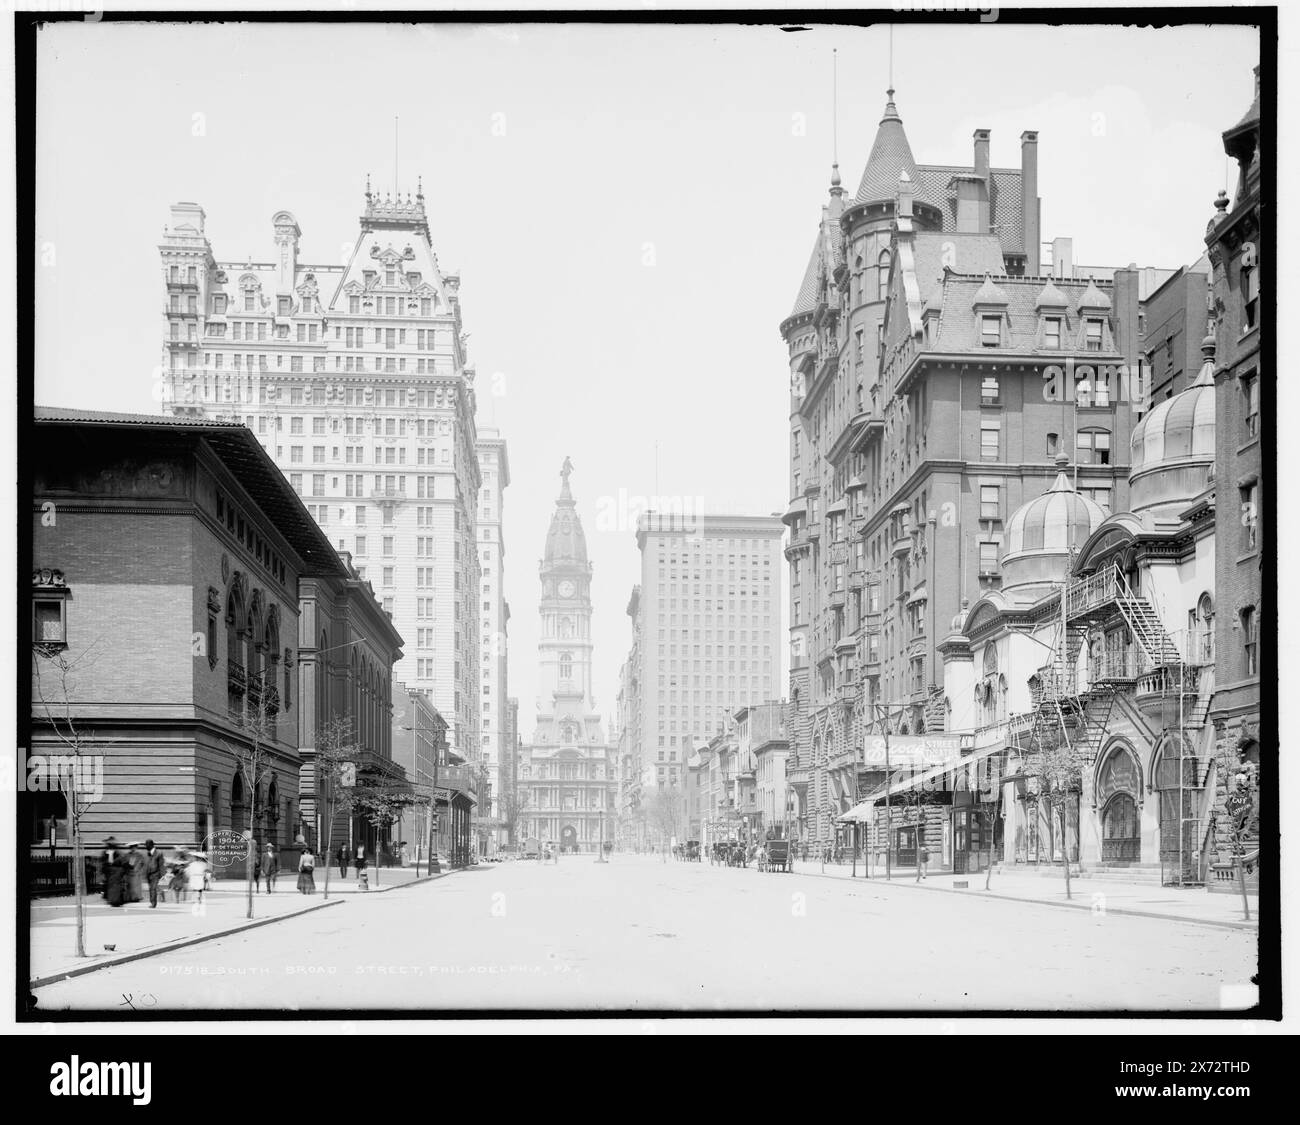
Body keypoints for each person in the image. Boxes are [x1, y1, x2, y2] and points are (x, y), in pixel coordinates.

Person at [101, 838, 126, 907]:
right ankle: (110, 899)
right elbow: (103, 862)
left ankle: (117, 900)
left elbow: (120, 862)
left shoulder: (117, 853)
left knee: (116, 887)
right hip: (108, 872)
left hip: (115, 872)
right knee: (109, 886)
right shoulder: (105, 852)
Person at [144, 840, 167, 907]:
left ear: (151, 845)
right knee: (151, 888)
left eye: (146, 845)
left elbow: (161, 864)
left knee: (153, 888)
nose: (146, 846)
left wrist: (163, 875)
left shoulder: (158, 853)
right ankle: (152, 902)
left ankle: (153, 903)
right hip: (149, 874)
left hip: (155, 874)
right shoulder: (147, 853)